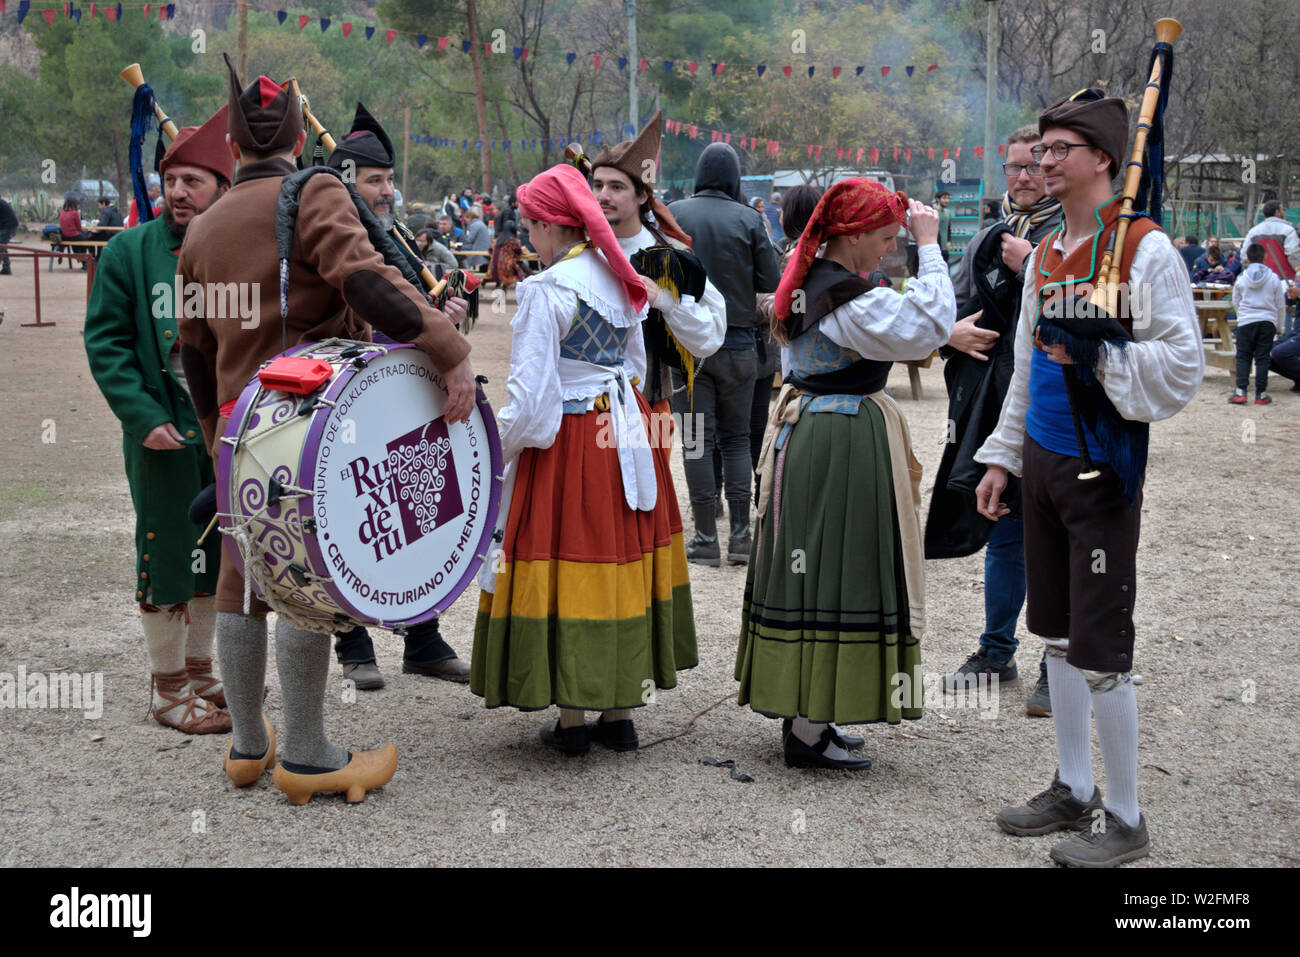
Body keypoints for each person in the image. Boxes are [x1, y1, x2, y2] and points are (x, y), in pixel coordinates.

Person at [178, 54, 473, 805]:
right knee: (305, 578)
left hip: (242, 431)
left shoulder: (202, 227)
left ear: (235, 147)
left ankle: (249, 746)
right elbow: (367, 282)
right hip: (312, 424)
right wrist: (448, 348)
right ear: (292, 141)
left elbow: (195, 352)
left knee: (243, 576)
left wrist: (220, 437)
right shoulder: (314, 191)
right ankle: (307, 754)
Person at [974, 89, 1203, 866]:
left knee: (1103, 648)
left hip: (1100, 466)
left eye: (1058, 148)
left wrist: (1101, 355)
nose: (1042, 160)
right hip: (1041, 460)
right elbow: (1023, 366)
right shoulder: (1044, 253)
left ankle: (1128, 817)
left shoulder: (1144, 250)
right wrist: (1004, 457)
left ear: (1103, 158)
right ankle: (1074, 785)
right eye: (1039, 148)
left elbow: (1181, 365)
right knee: (1060, 635)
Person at [469, 162, 697, 756]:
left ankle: (572, 721)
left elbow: (531, 397)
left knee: (571, 563)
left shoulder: (547, 289)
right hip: (623, 433)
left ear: (550, 226)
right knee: (618, 560)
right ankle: (619, 713)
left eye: (529, 227)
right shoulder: (615, 276)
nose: (526, 239)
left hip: (571, 441)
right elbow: (636, 369)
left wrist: (502, 447)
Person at [736, 179, 953, 770]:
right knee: (832, 570)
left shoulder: (811, 283)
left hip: (811, 432)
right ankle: (807, 734)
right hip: (837, 441)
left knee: (818, 568)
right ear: (852, 235)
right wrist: (931, 247)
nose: (889, 249)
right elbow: (928, 323)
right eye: (884, 238)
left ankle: (813, 718)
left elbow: (914, 328)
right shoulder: (849, 300)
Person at [83, 106, 234, 735]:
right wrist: (142, 417)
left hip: (222, 431)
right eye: (171, 181)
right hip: (161, 435)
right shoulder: (129, 252)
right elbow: (107, 342)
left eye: (192, 181)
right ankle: (167, 689)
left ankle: (198, 669)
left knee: (214, 550)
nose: (177, 192)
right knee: (167, 551)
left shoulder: (232, 251)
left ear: (222, 188)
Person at [323, 102, 474, 686]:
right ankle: (351, 642)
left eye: (388, 180)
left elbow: (418, 310)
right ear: (348, 184)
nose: (386, 191)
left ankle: (424, 639)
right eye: (375, 181)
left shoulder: (399, 235)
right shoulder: (333, 230)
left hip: (411, 388)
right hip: (351, 397)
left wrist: (446, 318)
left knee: (423, 504)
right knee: (348, 511)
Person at [931, 125, 1063, 717]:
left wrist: (1034, 262)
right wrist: (951, 332)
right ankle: (995, 651)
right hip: (996, 408)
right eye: (1014, 166)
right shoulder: (988, 237)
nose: (1024, 175)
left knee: (1058, 537)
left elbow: (1097, 309)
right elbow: (949, 309)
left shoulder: (1078, 234)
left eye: (1035, 164)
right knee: (1004, 532)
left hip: (1061, 409)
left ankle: (1055, 662)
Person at [668, 143, 782, 565]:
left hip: (687, 350)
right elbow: (770, 282)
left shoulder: (674, 214)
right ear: (735, 178)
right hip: (737, 345)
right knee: (736, 439)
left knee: (696, 441)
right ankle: (740, 535)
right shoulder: (750, 219)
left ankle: (703, 538)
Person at [589, 110, 725, 419]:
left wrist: (665, 301)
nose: (603, 195)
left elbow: (711, 335)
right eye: (597, 185)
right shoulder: (582, 252)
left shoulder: (671, 255)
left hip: (648, 408)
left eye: (616, 187)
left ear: (641, 196)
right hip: (582, 413)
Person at [1228, 242, 1285, 405]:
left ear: (1247, 258)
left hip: (1246, 320)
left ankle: (1241, 391)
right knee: (1263, 357)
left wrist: (1241, 317)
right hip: (1267, 321)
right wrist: (1280, 327)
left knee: (1243, 356)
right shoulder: (1273, 278)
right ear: (1265, 257)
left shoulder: (1242, 278)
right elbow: (1280, 305)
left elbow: (1236, 301)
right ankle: (1261, 394)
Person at [0, 196, 17, 275]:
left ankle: (6, 268)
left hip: (8, 226)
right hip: (9, 226)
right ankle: (6, 268)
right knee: (3, 246)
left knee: (1, 246)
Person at [936, 189, 953, 261]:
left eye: (948, 198)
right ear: (938, 199)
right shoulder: (933, 212)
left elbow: (949, 228)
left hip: (945, 247)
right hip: (936, 247)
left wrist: (949, 241)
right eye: (944, 198)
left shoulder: (948, 212)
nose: (947, 200)